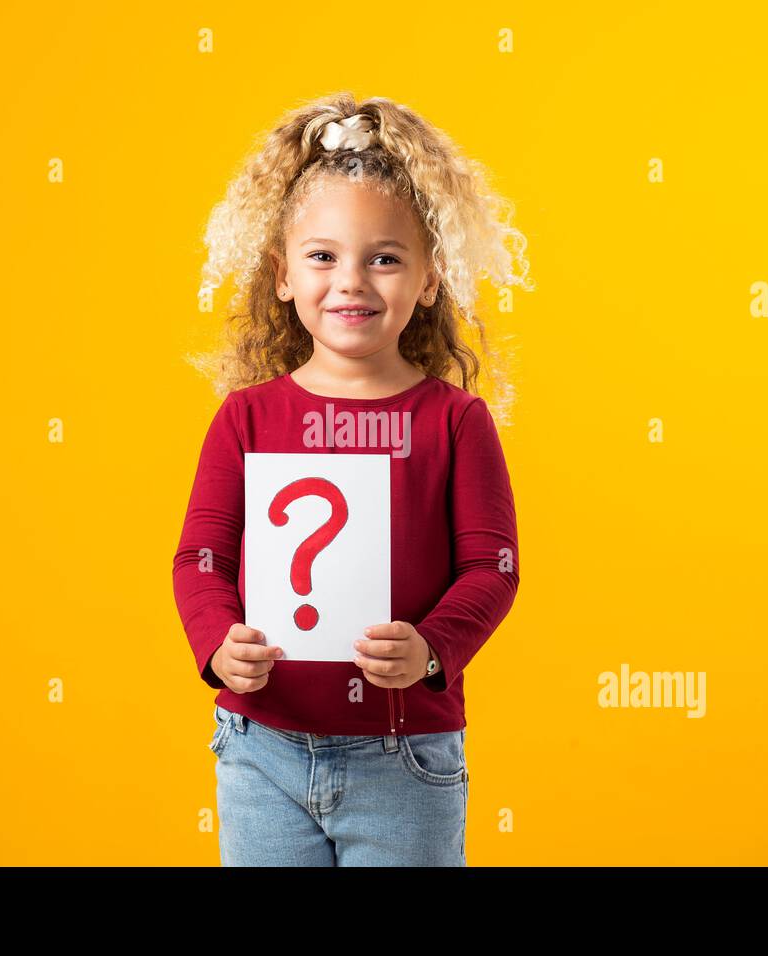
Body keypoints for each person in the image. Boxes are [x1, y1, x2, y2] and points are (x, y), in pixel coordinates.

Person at [173, 92, 533, 866]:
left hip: (404, 757)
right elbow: (201, 557)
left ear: (430, 279)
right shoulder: (244, 419)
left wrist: (432, 647)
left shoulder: (456, 422)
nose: (352, 282)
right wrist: (216, 644)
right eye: (323, 257)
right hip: (261, 747)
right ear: (282, 275)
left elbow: (491, 567)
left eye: (385, 258)